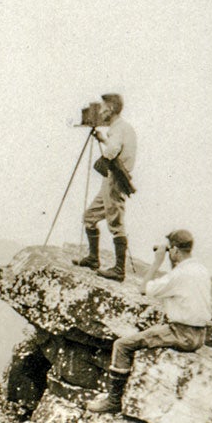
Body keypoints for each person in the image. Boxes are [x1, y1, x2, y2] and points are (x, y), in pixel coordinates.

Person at [87, 229, 212, 414]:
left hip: (182, 334)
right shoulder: (200, 269)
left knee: (122, 345)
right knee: (152, 330)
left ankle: (113, 401)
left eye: (171, 250)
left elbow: (143, 288)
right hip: (199, 334)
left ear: (175, 251)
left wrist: (157, 262)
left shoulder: (179, 275)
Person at [72, 93, 137, 282]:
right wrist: (102, 139)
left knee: (116, 223)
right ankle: (93, 259)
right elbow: (115, 145)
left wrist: (104, 158)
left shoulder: (118, 128)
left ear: (111, 108)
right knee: (90, 216)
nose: (100, 112)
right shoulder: (122, 127)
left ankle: (118, 270)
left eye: (102, 108)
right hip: (113, 178)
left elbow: (113, 149)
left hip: (115, 179)